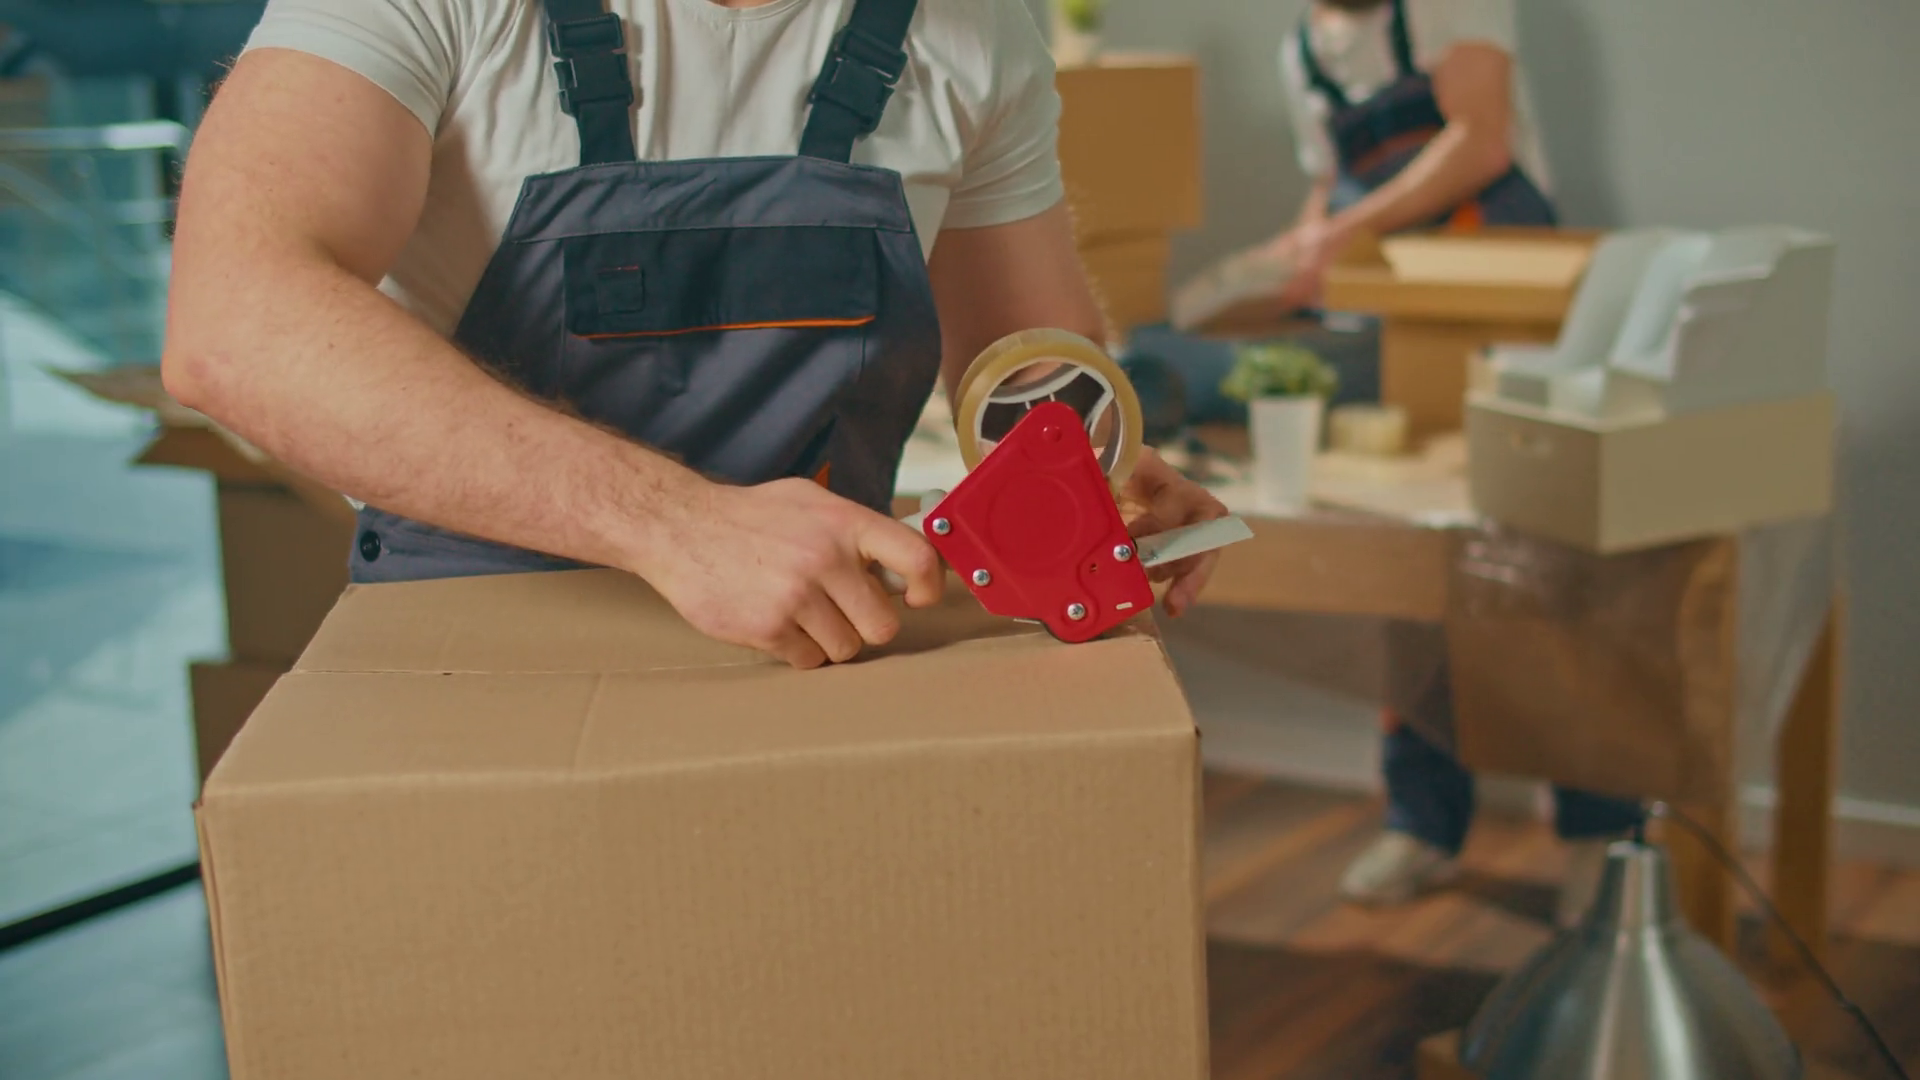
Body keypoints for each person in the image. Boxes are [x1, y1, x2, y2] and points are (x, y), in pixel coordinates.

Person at [161, 0, 1230, 670]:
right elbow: (234, 324)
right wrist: (680, 526)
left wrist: (1083, 474)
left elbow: (1024, 353)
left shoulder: (971, 28)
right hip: (478, 658)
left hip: (825, 655)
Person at [1267, 0, 1643, 923]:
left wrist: (1346, 231)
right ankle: (1424, 820)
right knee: (1415, 572)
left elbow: (1479, 141)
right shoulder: (1302, 53)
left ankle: (1602, 834)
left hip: (1515, 311)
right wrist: (1300, 255)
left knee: (1551, 563)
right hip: (1403, 330)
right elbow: (1329, 188)